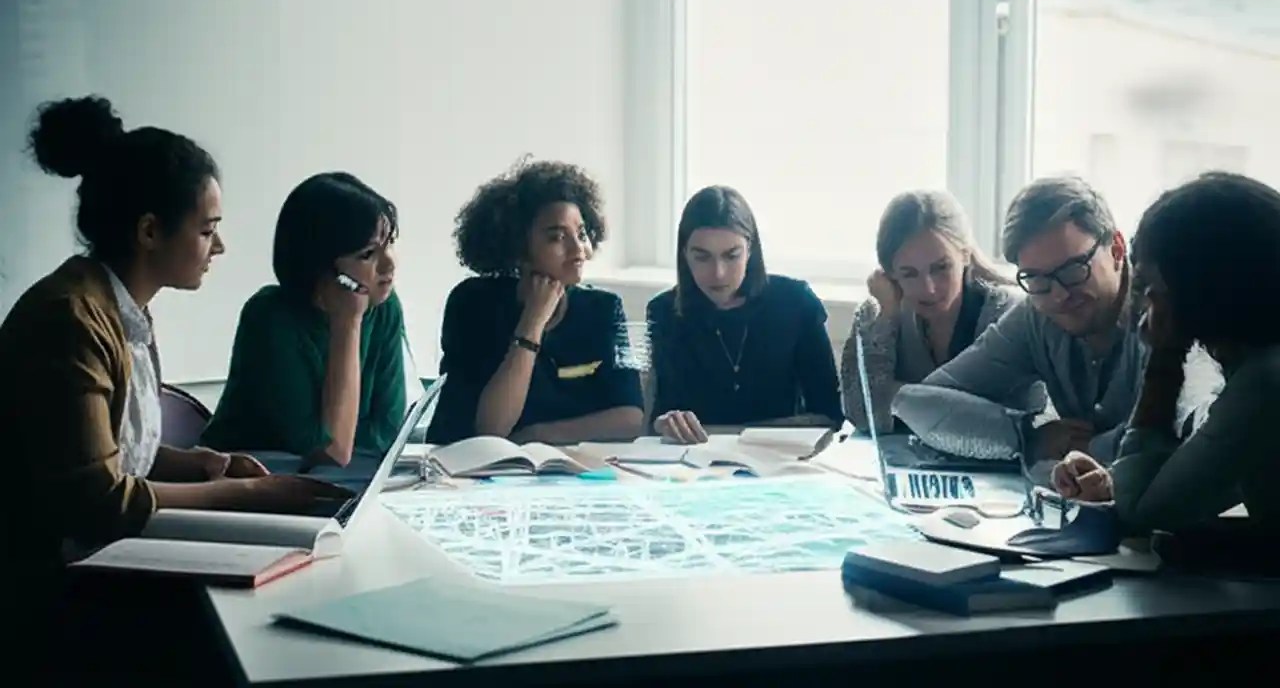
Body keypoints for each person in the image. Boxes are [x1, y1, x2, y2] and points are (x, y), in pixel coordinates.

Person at [4, 96, 348, 678]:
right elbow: (100, 500)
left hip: (96, 561)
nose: (220, 247)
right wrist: (247, 495)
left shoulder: (119, 308)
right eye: (207, 230)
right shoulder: (72, 318)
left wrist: (202, 465)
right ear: (149, 231)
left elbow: (111, 450)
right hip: (49, 589)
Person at [1052, 173, 1280, 532]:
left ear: (1203, 287)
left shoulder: (1265, 383)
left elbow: (1146, 511)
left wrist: (1165, 353)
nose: (1146, 305)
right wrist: (1114, 480)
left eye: (1154, 288)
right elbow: (1206, 481)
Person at [894, 176, 1151, 464]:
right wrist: (1027, 435)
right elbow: (918, 401)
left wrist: (1090, 449)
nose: (1059, 295)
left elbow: (1171, 445)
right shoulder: (1034, 316)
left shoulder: (1163, 314)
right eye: (1036, 278)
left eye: (1073, 269)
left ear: (1116, 248)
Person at [201, 173, 408, 481]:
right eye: (367, 254)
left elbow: (388, 431)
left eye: (389, 244)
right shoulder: (270, 316)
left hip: (339, 478)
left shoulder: (385, 308)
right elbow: (329, 450)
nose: (389, 264)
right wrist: (347, 323)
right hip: (248, 482)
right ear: (321, 265)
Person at [426, 158, 644, 445]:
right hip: (468, 464)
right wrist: (533, 321)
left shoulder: (602, 309)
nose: (578, 249)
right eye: (557, 237)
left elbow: (631, 417)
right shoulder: (473, 303)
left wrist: (541, 434)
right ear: (518, 247)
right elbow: (492, 429)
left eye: (581, 234)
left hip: (558, 464)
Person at [646, 186, 843, 444]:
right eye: (702, 257)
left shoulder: (795, 302)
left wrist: (743, 434)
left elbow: (829, 413)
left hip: (780, 454)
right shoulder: (664, 312)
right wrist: (664, 424)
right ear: (684, 254)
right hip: (692, 457)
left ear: (750, 250)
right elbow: (657, 415)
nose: (718, 273)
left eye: (732, 256)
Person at [841, 190, 1044, 434]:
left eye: (941, 268)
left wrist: (897, 397)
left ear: (965, 255)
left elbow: (1022, 421)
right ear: (890, 273)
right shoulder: (877, 312)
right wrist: (885, 319)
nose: (929, 288)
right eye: (909, 274)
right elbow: (861, 413)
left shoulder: (1008, 313)